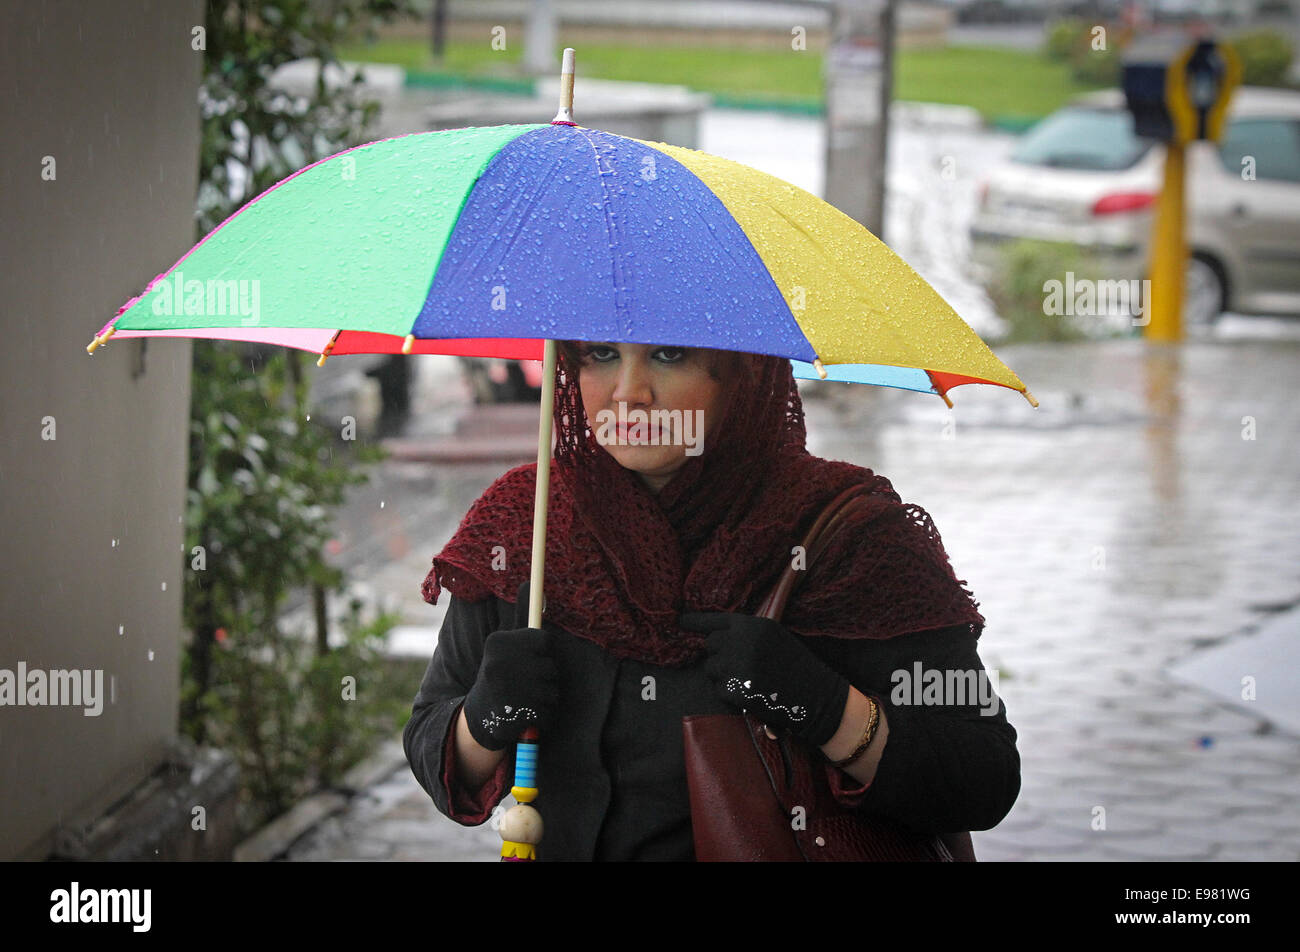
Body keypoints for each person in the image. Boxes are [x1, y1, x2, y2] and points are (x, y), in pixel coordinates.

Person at [403, 342, 1020, 861]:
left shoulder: (853, 537)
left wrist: (825, 707)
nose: (629, 392)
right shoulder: (525, 527)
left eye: (669, 355)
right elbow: (432, 742)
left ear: (743, 369)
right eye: (600, 355)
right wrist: (482, 721)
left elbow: (982, 778)